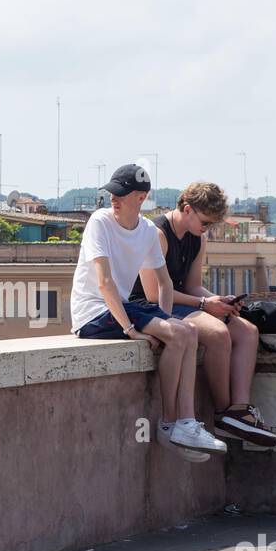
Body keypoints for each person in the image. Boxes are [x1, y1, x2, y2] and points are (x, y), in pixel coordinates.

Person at [71, 163, 226, 462]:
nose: (114, 198)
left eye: (121, 193)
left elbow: (165, 284)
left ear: (140, 198)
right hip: (93, 312)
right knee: (179, 334)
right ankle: (170, 424)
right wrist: (131, 330)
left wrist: (165, 319)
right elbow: (104, 283)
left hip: (121, 307)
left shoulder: (146, 231)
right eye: (113, 192)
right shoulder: (100, 221)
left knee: (188, 331)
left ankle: (185, 423)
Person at [129, 182, 276, 447]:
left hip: (182, 302)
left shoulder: (198, 237)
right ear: (187, 210)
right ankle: (223, 413)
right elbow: (152, 293)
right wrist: (203, 304)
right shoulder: (157, 233)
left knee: (247, 331)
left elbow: (193, 285)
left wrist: (218, 301)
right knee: (218, 333)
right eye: (205, 222)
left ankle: (239, 410)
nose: (207, 228)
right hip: (151, 307)